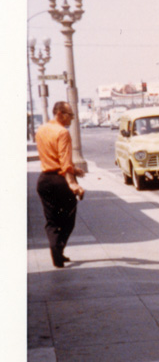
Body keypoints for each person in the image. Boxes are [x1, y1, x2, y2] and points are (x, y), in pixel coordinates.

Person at [35, 101, 85, 268]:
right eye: (70, 114)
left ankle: (57, 252)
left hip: (44, 180)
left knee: (51, 219)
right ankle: (58, 248)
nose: (72, 118)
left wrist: (75, 169)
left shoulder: (41, 129)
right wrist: (72, 183)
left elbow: (52, 156)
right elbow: (64, 161)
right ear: (60, 114)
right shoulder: (62, 132)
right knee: (68, 218)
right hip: (60, 180)